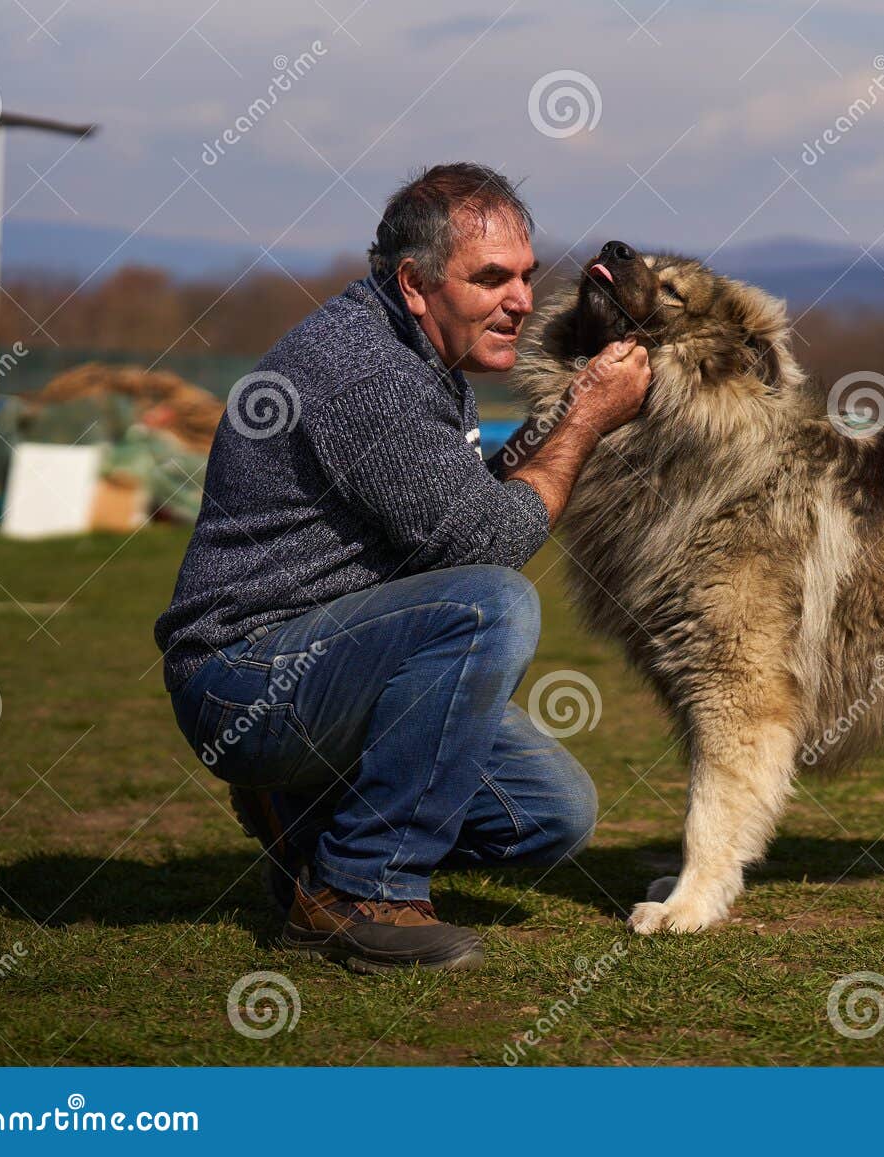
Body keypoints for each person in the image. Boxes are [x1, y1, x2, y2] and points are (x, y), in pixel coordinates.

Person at [154, 162, 651, 973]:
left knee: (551, 814)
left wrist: (566, 409)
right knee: (490, 602)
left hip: (333, 665)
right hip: (246, 677)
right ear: (416, 284)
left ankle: (306, 820)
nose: (521, 300)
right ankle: (361, 889)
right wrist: (588, 419)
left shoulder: (415, 353)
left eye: (527, 276)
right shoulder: (365, 372)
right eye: (491, 278)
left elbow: (457, 508)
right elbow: (485, 543)